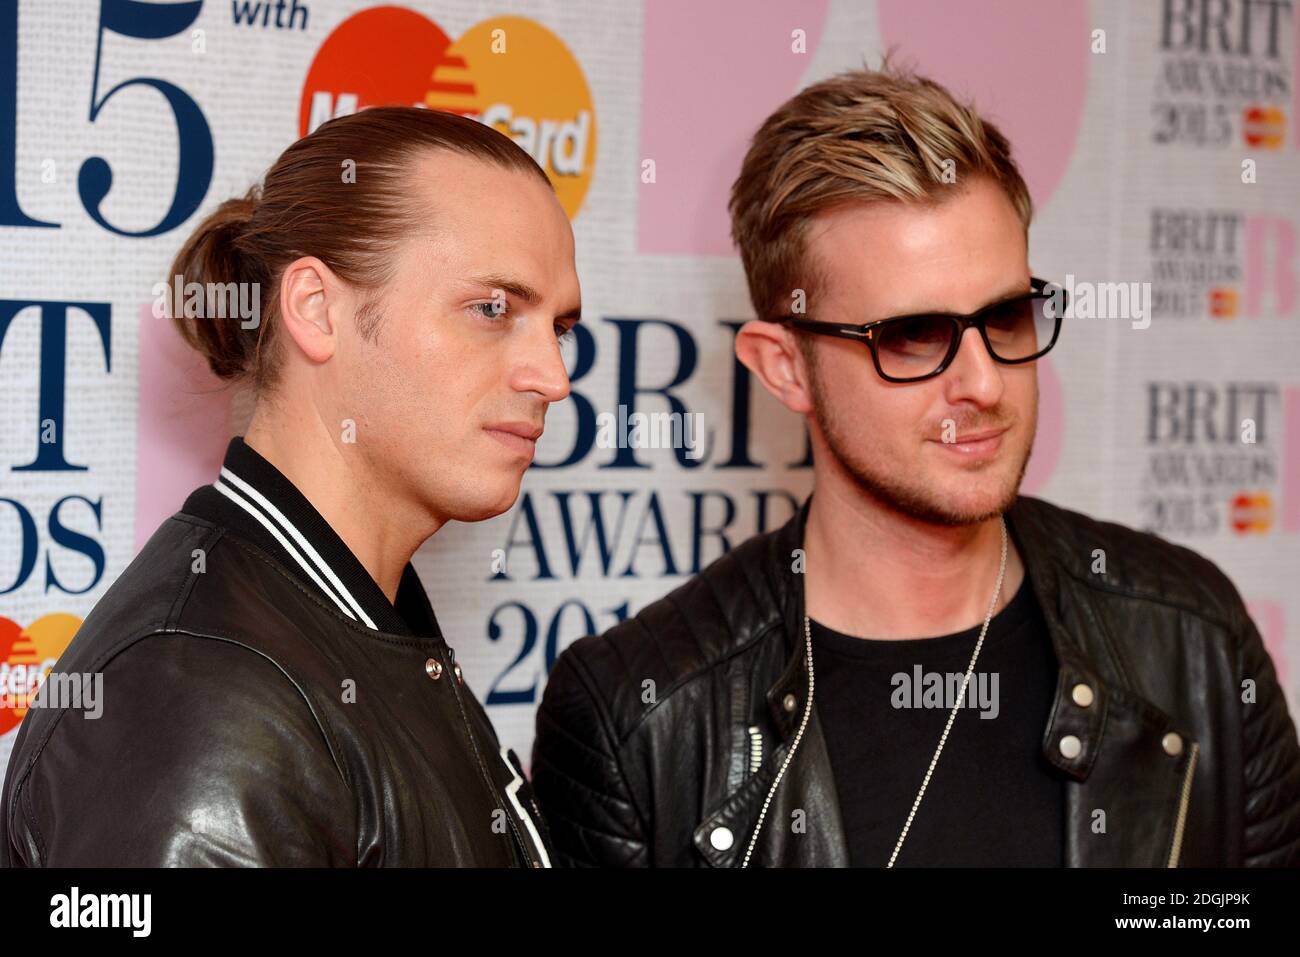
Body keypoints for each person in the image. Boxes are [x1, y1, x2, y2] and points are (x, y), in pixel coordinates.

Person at [531, 66, 1300, 867]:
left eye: (1004, 316)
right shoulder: (641, 713)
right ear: (785, 367)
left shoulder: (1192, 635)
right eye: (911, 337)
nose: (984, 382)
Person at [2, 106, 581, 866]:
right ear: (315, 309)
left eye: (560, 327)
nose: (553, 377)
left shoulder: (350, 623)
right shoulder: (200, 699)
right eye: (491, 309)